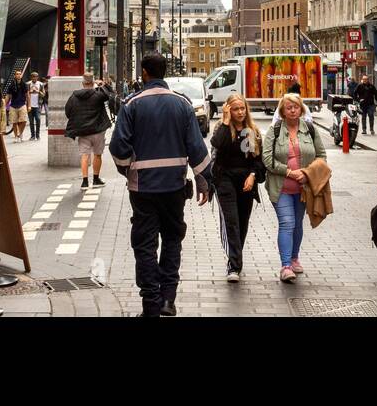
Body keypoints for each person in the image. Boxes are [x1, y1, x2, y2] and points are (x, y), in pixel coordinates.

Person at [109, 53, 213, 317]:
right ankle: (168, 299)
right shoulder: (182, 104)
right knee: (171, 240)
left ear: (144, 72)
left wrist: (127, 170)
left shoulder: (131, 104)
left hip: (142, 188)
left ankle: (151, 303)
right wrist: (203, 180)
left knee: (144, 245)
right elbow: (197, 148)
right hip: (175, 187)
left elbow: (118, 147)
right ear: (164, 72)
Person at [263, 93, 326, 283]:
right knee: (287, 223)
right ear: (282, 110)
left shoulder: (310, 129)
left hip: (304, 188)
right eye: (288, 107)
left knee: (297, 224)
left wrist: (306, 172)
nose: (292, 110)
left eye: (296, 107)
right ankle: (285, 266)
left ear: (301, 109)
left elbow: (321, 155)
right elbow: (267, 159)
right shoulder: (274, 130)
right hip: (280, 188)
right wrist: (290, 172)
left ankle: (294, 257)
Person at [208, 92, 265, 282]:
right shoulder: (222, 129)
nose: (240, 112)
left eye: (242, 108)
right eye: (235, 109)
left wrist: (252, 175)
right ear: (228, 110)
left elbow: (258, 160)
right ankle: (234, 266)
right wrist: (225, 121)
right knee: (231, 222)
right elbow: (217, 145)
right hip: (224, 179)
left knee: (242, 222)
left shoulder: (252, 131)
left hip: (246, 180)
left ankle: (235, 258)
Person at [65, 73, 118, 189]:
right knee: (97, 155)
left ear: (83, 83)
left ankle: (84, 182)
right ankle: (96, 179)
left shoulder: (74, 96)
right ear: (93, 82)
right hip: (98, 130)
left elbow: (68, 112)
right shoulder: (98, 95)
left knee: (84, 155)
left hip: (83, 131)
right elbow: (112, 95)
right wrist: (103, 85)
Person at [7, 70, 30, 142]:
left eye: (20, 74)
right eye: (17, 74)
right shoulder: (11, 85)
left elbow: (28, 96)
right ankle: (16, 136)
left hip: (22, 104)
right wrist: (4, 105)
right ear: (15, 75)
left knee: (24, 120)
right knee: (14, 122)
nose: (18, 75)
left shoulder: (24, 84)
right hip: (13, 105)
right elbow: (8, 96)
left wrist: (29, 106)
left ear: (21, 75)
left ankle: (20, 133)